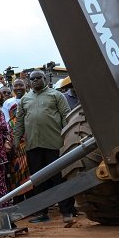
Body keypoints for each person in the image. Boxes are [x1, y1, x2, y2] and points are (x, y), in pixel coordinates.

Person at [14, 70, 73, 223]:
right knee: (38, 180)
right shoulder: (25, 99)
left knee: (58, 178)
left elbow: (67, 116)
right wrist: (15, 141)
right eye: (32, 79)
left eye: (38, 78)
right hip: (33, 145)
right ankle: (42, 213)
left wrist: (68, 138)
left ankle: (67, 212)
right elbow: (19, 122)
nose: (35, 81)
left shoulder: (56, 95)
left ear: (45, 79)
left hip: (55, 144)